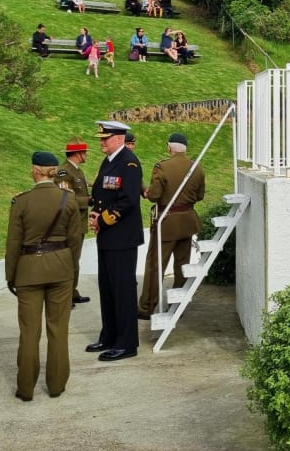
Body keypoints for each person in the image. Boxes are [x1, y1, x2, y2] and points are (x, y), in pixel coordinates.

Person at [6, 151, 84, 401]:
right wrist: (70, 268)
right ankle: (57, 384)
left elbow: (13, 243)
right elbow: (75, 241)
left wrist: (11, 276)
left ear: (35, 171)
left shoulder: (21, 202)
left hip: (29, 270)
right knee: (58, 330)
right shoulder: (69, 200)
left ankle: (26, 388)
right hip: (61, 268)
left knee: (29, 332)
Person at [86, 120, 144, 361]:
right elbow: (101, 194)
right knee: (108, 289)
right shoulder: (109, 160)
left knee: (122, 290)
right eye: (101, 138)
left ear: (119, 139)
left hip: (122, 236)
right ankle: (109, 335)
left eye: (105, 138)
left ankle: (126, 343)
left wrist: (103, 219)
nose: (101, 142)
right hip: (108, 237)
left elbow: (128, 200)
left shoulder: (129, 163)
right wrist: (95, 214)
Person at [138, 132, 205, 321]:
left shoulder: (162, 167)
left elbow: (154, 196)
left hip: (166, 223)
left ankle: (147, 307)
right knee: (182, 265)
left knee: (155, 265)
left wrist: (147, 191)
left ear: (169, 147)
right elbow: (200, 196)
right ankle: (178, 305)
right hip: (187, 221)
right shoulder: (196, 167)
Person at [56, 138, 92, 306]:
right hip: (71, 224)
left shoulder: (77, 171)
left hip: (79, 223)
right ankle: (65, 296)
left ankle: (72, 291)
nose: (86, 155)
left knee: (75, 259)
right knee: (69, 260)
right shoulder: (64, 172)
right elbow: (65, 198)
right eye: (85, 152)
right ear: (78, 153)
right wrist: (88, 201)